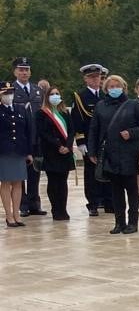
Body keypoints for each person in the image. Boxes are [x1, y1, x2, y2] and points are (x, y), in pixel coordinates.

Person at [88, 75, 139, 235]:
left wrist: (131, 132)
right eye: (111, 86)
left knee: (132, 189)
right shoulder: (101, 106)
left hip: (129, 152)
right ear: (106, 89)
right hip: (110, 153)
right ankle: (119, 222)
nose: (114, 89)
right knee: (116, 190)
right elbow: (94, 129)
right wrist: (92, 151)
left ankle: (133, 222)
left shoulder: (133, 105)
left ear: (123, 87)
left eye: (117, 86)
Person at [71, 63, 112, 216]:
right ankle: (93, 203)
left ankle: (109, 201)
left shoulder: (105, 95)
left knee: (108, 171)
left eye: (98, 77)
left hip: (106, 141)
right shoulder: (80, 97)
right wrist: (81, 142)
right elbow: (77, 120)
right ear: (86, 79)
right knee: (91, 174)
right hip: (90, 141)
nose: (95, 80)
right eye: (92, 77)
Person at [35, 84, 76, 220]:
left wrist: (68, 145)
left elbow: (71, 131)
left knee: (63, 182)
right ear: (47, 97)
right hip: (51, 151)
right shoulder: (41, 113)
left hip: (65, 151)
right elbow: (43, 133)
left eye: (57, 94)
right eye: (52, 94)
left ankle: (63, 209)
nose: (55, 96)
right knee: (53, 182)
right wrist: (58, 145)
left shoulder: (65, 112)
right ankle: (55, 209)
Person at [12, 57, 45, 217]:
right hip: (19, 137)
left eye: (27, 69)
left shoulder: (37, 90)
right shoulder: (9, 90)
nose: (24, 72)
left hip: (37, 137)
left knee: (35, 171)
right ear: (15, 72)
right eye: (21, 69)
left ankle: (34, 203)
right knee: (20, 172)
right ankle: (22, 204)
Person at [0, 81, 32, 228]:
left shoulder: (20, 109)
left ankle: (17, 214)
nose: (9, 96)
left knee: (18, 183)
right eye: (5, 93)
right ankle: (8, 215)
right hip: (4, 152)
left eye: (10, 93)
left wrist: (29, 152)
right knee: (6, 183)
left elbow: (27, 131)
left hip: (19, 151)